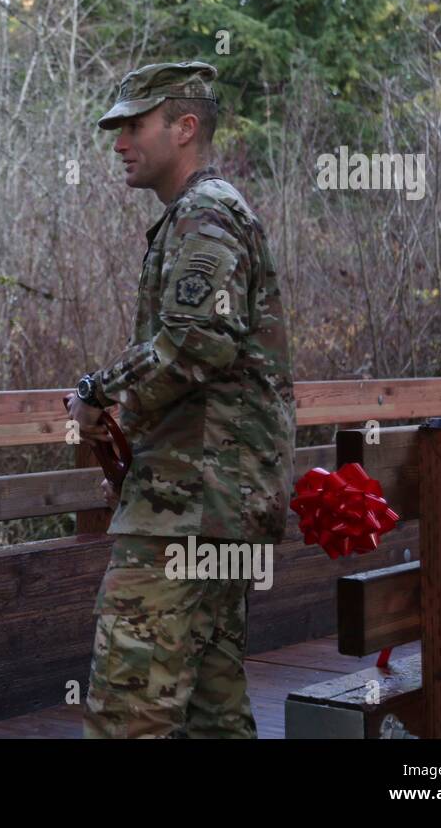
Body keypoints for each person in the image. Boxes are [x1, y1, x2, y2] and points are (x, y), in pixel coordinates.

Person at [66, 61, 295, 738]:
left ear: (184, 127)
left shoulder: (204, 213)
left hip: (188, 503)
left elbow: (198, 342)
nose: (119, 143)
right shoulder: (204, 213)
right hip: (212, 503)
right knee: (209, 709)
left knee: (127, 710)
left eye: (135, 126)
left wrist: (97, 394)